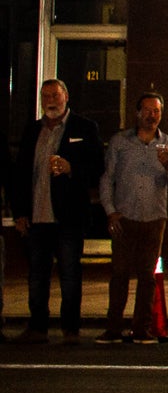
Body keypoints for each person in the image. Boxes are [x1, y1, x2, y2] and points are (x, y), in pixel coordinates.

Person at [7, 80, 105, 346]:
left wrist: (71, 167)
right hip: (37, 216)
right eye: (45, 95)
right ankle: (37, 327)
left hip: (68, 218)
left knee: (70, 274)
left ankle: (70, 329)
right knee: (37, 275)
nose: (51, 99)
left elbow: (98, 168)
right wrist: (20, 213)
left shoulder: (84, 128)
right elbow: (20, 176)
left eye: (55, 95)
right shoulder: (32, 130)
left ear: (66, 96)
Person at [97, 91, 168, 345]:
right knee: (120, 273)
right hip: (124, 216)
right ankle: (113, 328)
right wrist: (110, 210)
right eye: (147, 110)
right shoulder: (120, 142)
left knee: (147, 276)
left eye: (156, 111)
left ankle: (142, 329)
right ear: (138, 113)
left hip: (154, 217)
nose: (152, 115)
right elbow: (107, 178)